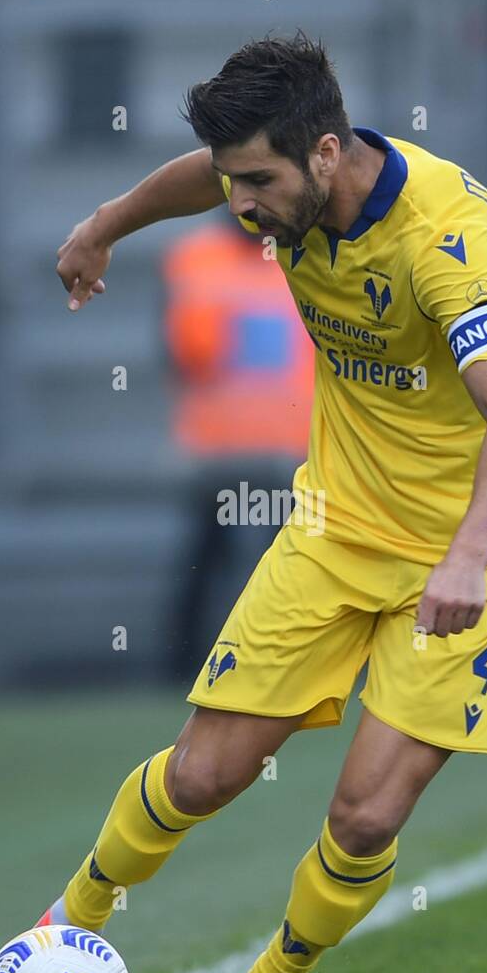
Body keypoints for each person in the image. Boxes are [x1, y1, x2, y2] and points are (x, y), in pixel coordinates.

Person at [32, 32, 487, 973]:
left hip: (477, 550)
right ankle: (63, 927)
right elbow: (202, 173)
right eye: (233, 181)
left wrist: (463, 556)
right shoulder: (274, 182)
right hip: (335, 526)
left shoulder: (449, 242)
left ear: (325, 155)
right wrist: (101, 227)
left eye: (260, 182)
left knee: (362, 816)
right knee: (201, 772)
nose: (241, 207)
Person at [162, 211, 313, 680]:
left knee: (289, 568)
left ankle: (284, 670)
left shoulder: (302, 257)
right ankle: (183, 666)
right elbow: (175, 352)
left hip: (289, 448)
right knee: (207, 562)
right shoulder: (194, 256)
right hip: (221, 449)